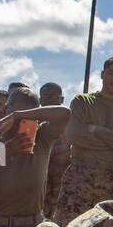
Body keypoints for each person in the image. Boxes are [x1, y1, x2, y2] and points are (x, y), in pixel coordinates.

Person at [47, 56, 113, 225]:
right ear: (102, 74)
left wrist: (97, 130)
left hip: (112, 182)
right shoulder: (82, 102)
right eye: (111, 73)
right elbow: (74, 135)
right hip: (79, 178)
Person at [0, 85, 60, 227]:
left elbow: (65, 114)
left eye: (28, 118)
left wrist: (18, 114)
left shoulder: (42, 138)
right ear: (5, 111)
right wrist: (4, 152)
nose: (20, 122)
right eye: (16, 116)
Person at [38, 82, 70, 217]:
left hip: (62, 180)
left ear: (61, 99)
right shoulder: (33, 123)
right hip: (40, 180)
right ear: (40, 100)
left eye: (54, 96)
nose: (49, 99)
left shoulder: (69, 122)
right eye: (46, 96)